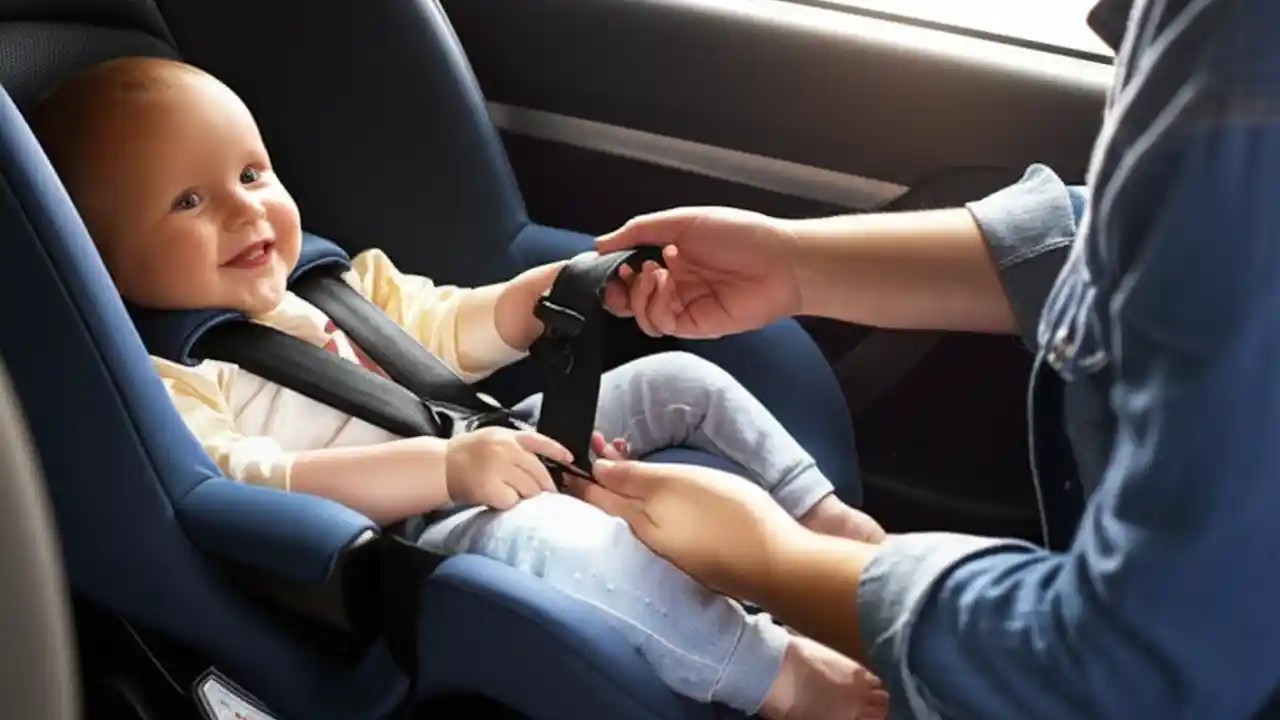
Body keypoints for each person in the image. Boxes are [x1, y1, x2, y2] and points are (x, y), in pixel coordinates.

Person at [29, 56, 896, 719]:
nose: (246, 210)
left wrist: (543, 298)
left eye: (253, 175)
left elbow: (447, 328)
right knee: (569, 546)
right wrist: (445, 471)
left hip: (490, 437)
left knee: (680, 379)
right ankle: (777, 675)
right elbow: (262, 482)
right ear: (99, 259)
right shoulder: (172, 381)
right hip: (420, 527)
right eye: (188, 202)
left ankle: (825, 524)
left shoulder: (337, 284)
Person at [579, 0, 1280, 717]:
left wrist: (776, 562)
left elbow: (1140, 666)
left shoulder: (1242, 55)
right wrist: (793, 264)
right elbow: (1154, 243)